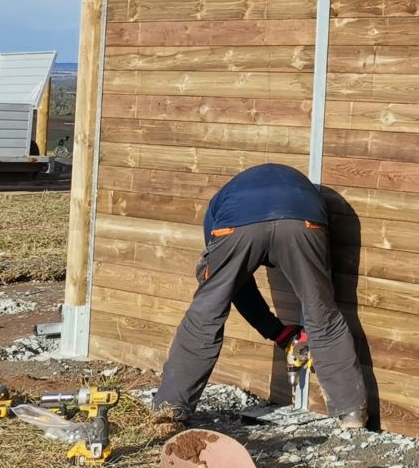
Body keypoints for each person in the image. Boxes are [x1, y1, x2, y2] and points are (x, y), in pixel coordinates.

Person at [152, 163, 367, 432]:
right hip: (304, 217)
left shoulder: (217, 210)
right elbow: (317, 284)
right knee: (323, 315)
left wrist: (274, 331)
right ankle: (352, 414)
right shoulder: (302, 192)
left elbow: (234, 289)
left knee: (204, 316)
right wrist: (279, 333)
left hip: (235, 222)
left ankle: (169, 412)